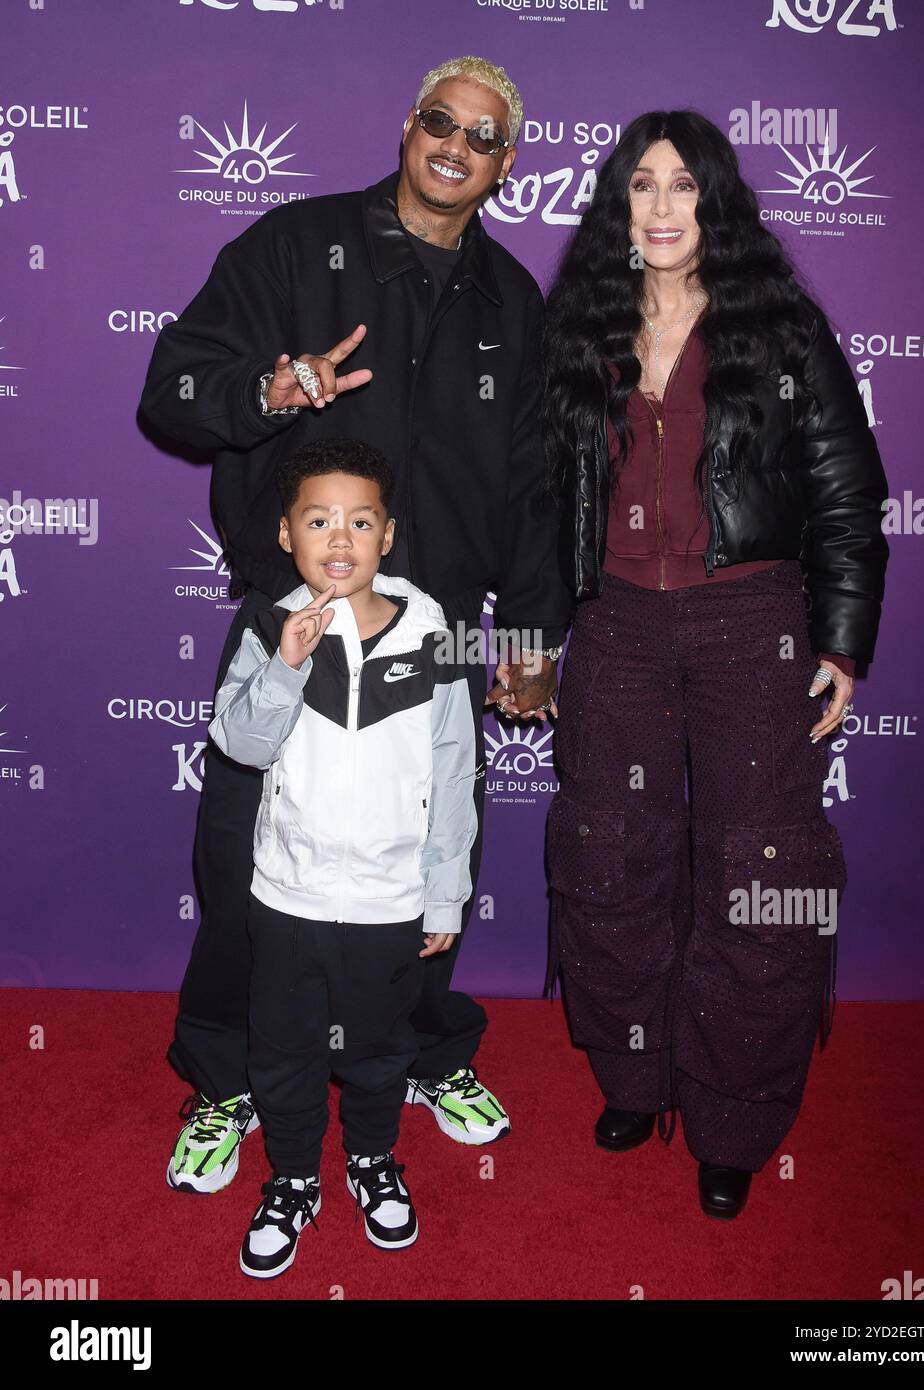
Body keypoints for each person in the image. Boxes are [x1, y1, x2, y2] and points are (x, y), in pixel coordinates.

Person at [139, 55, 570, 1192]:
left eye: (483, 136)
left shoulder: (517, 302)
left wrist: (528, 633)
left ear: (504, 166)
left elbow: (534, 483)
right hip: (293, 620)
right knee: (240, 858)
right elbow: (171, 388)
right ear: (407, 127)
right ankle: (227, 1077)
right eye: (441, 120)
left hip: (437, 631)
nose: (455, 145)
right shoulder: (295, 244)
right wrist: (272, 391)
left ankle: (422, 1048)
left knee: (432, 852)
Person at [542, 109, 888, 1219]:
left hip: (753, 622)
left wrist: (842, 641)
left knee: (763, 866)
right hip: (617, 632)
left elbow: (846, 490)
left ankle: (734, 1113)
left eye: (682, 185)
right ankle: (636, 1074)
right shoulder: (579, 324)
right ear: (616, 203)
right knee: (614, 851)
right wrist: (530, 635)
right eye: (639, 185)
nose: (659, 207)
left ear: (717, 201)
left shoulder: (778, 325)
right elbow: (534, 502)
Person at [208, 438, 479, 1277]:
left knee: (377, 1050)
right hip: (289, 895)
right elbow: (241, 744)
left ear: (387, 536)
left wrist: (443, 895)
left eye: (359, 521)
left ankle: (369, 1160)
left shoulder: (439, 632)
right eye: (318, 520)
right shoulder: (266, 625)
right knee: (282, 1051)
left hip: (389, 903)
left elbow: (456, 764)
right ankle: (292, 1178)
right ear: (287, 535)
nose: (339, 537)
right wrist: (287, 663)